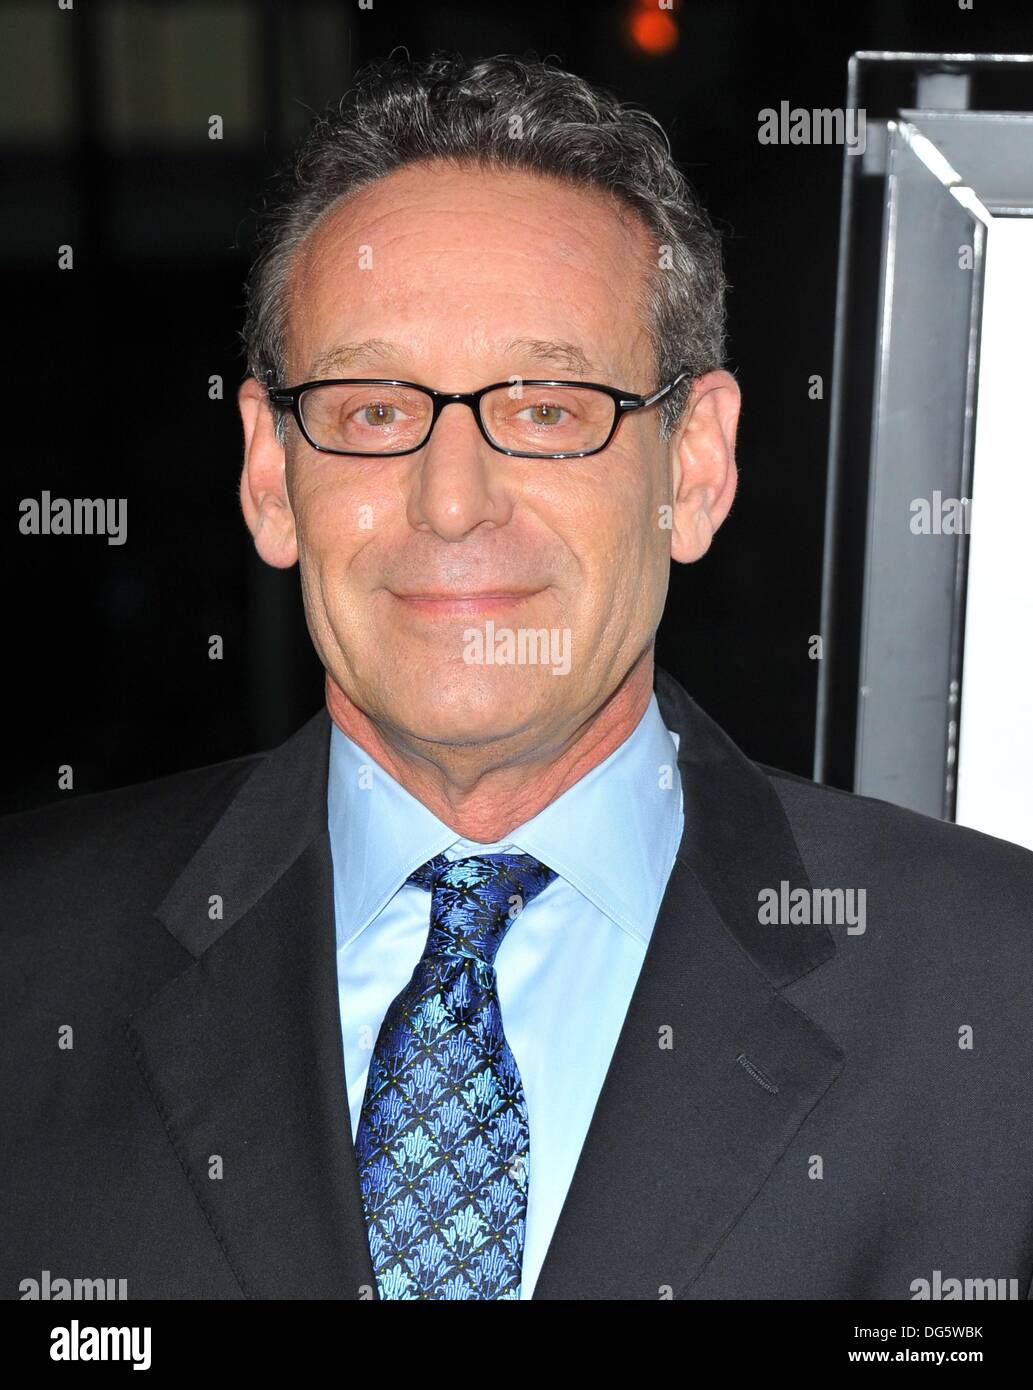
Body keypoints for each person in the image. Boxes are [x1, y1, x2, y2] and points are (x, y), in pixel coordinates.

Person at [3, 53, 1031, 1303]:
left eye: (547, 409)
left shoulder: (996, 997)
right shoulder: (29, 961)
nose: (450, 501)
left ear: (694, 469)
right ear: (272, 476)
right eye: (374, 411)